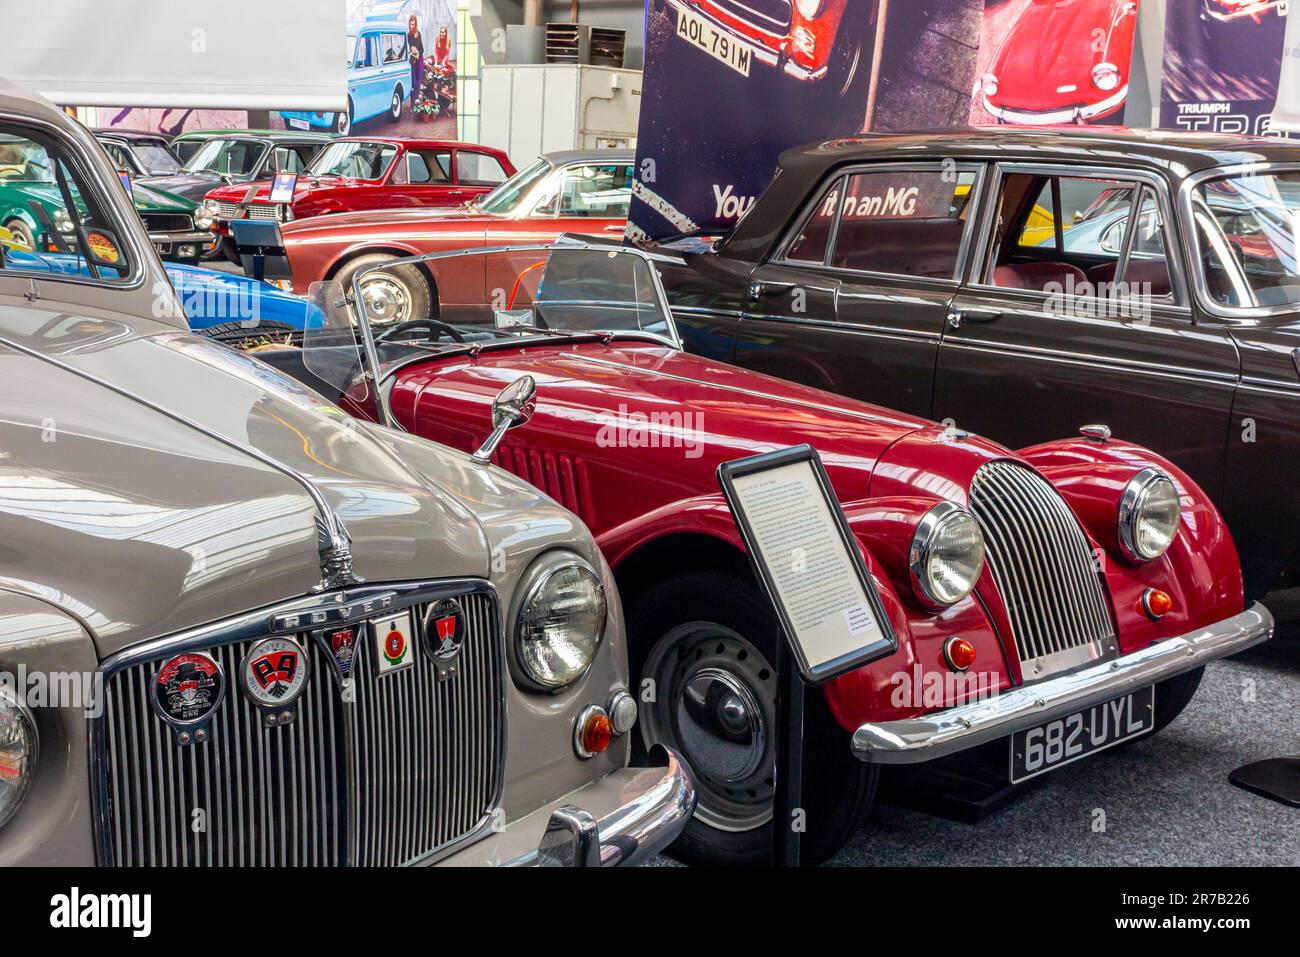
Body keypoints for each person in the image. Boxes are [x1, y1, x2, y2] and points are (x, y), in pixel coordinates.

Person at [407, 15, 425, 113]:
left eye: (413, 24)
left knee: (418, 83)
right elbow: (406, 48)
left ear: (416, 24)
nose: (411, 26)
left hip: (419, 60)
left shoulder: (418, 34)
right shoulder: (408, 35)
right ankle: (412, 105)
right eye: (410, 24)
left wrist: (417, 52)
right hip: (412, 61)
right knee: (413, 83)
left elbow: (422, 49)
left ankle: (416, 104)